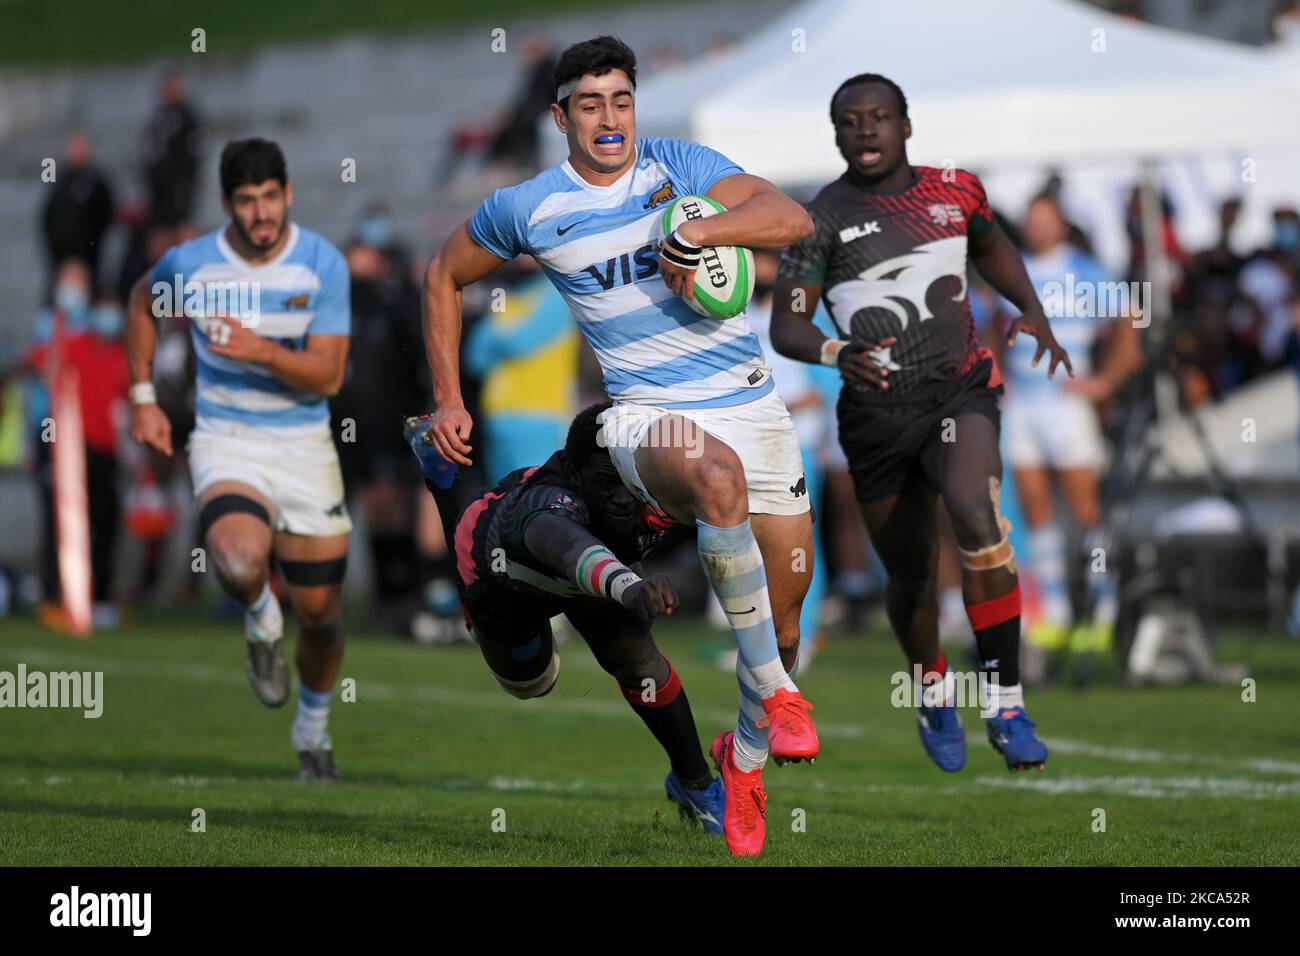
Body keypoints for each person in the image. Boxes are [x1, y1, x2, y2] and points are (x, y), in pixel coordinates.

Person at [419, 36, 819, 856]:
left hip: (750, 402)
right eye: (592, 104)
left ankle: (740, 760)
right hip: (644, 414)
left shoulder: (681, 164)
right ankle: (779, 700)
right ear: (560, 115)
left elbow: (793, 219)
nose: (611, 119)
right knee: (714, 479)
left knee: (780, 628)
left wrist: (707, 231)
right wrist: (448, 398)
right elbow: (442, 276)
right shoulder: (529, 206)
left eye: (622, 100)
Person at [771, 73, 1072, 774]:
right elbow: (788, 321)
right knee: (909, 578)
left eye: (880, 117)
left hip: (958, 391)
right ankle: (933, 685)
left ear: (906, 125)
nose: (866, 129)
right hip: (876, 419)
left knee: (978, 519)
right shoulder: (817, 221)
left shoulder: (955, 190)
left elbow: (991, 244)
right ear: (836, 132)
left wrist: (1030, 306)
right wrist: (834, 350)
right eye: (851, 120)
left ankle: (1005, 702)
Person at [126, 138, 352, 781]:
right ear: (228, 203)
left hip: (305, 447)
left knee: (323, 618)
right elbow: (142, 304)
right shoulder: (193, 265)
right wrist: (143, 397)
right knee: (236, 558)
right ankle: (259, 618)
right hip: (227, 440)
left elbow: (329, 376)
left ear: (288, 195)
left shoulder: (321, 265)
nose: (261, 214)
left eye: (270, 199)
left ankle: (312, 730)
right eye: (247, 202)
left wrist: (260, 350)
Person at [406, 402, 726, 834]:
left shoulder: (655, 483)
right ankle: (444, 480)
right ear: (575, 475)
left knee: (638, 661)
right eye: (603, 483)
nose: (618, 497)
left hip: (592, 574)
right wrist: (630, 586)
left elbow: (725, 489)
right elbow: (565, 545)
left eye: (624, 484)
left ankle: (697, 785)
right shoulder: (546, 507)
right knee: (532, 683)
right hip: (500, 574)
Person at [1002, 194, 1140, 672]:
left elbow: (1128, 326)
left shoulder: (1086, 270)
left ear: (1062, 224)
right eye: (1031, 219)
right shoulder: (1012, 269)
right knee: (1037, 513)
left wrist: (1105, 383)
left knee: (1085, 511)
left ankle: (1103, 609)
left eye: (1045, 220)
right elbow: (996, 327)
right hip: (1024, 407)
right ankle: (1056, 611)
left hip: (1067, 406)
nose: (1037, 227)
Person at [41, 132, 114, 291]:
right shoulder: (57, 181)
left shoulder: (97, 182)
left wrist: (89, 257)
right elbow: (48, 219)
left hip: (89, 265)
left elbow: (107, 218)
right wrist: (57, 260)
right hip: (61, 263)